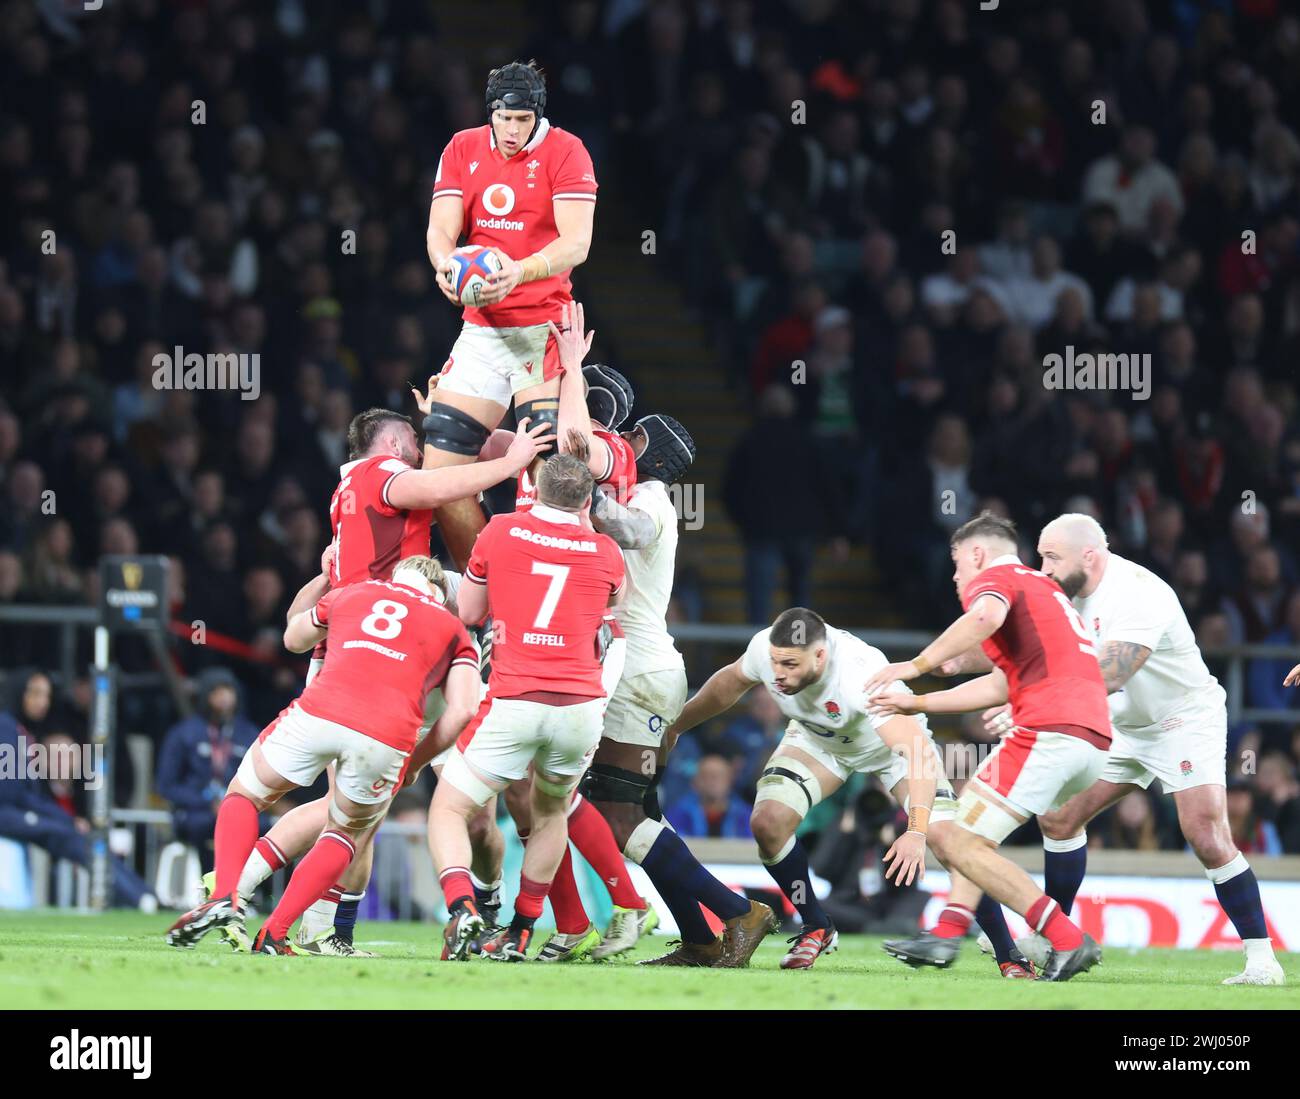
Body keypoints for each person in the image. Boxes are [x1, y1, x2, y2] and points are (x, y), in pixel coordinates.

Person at [220, 408, 548, 956]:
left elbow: (293, 635)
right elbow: (444, 483)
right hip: (395, 653)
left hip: (355, 643)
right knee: (375, 811)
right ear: (393, 444)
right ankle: (276, 909)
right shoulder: (379, 476)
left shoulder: (348, 499)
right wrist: (512, 461)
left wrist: (468, 428)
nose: (422, 454)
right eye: (417, 443)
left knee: (354, 809)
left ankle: (251, 899)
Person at [165, 555, 480, 953]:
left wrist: (324, 575)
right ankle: (277, 931)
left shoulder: (353, 592)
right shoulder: (453, 629)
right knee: (345, 832)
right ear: (438, 592)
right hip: (388, 734)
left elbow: (293, 637)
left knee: (246, 794)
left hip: (322, 706)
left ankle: (224, 895)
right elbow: (465, 708)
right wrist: (415, 764)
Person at [1026, 512, 1285, 985]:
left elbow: (1111, 673)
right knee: (1059, 817)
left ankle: (1262, 960)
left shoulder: (1138, 592)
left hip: (1181, 719)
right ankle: (1054, 938)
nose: (1043, 567)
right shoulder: (1065, 594)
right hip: (1125, 723)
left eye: (1051, 557)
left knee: (1205, 835)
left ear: (1089, 555)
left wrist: (1032, 703)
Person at [667, 608, 992, 973]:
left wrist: (915, 831)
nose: (778, 674)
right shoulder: (767, 650)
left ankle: (1010, 953)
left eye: (790, 664)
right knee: (768, 822)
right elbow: (728, 683)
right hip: (820, 741)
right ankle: (816, 924)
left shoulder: (862, 675)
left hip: (891, 751)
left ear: (821, 656)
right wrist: (676, 727)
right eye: (775, 663)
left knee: (948, 841)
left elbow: (915, 756)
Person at [865, 512, 1110, 982]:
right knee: (967, 835)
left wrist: (916, 665)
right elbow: (998, 685)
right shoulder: (1046, 594)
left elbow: (985, 615)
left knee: (957, 839)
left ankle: (1065, 937)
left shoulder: (999, 577)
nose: (957, 578)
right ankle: (948, 929)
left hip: (1049, 729)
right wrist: (917, 701)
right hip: (1090, 737)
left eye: (957, 566)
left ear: (976, 554)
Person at [576, 402, 776, 967]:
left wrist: (573, 478)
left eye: (633, 437)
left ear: (652, 452)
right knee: (642, 815)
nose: (621, 444)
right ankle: (698, 937)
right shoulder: (645, 497)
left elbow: (623, 527)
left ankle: (738, 910)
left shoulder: (649, 500)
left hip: (638, 675)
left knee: (615, 816)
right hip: (645, 670)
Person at [430, 454, 625, 962]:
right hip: (580, 707)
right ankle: (521, 928)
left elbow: (470, 613)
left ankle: (463, 910)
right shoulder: (607, 551)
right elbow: (609, 616)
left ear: (534, 488)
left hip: (516, 697)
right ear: (587, 501)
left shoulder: (498, 530)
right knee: (551, 810)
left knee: (449, 808)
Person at [422, 60, 599, 570]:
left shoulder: (567, 151)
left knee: (557, 480)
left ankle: (570, 591)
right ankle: (489, 595)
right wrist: (446, 268)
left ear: (538, 115)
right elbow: (440, 231)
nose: (513, 130)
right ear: (491, 114)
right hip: (482, 332)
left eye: (523, 119)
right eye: (505, 119)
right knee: (441, 476)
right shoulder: (462, 147)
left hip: (543, 331)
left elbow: (577, 243)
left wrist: (516, 273)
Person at [156, 668, 260, 865]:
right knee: (204, 825)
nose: (224, 697)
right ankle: (209, 890)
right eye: (216, 691)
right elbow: (166, 785)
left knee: (264, 828)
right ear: (205, 695)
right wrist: (205, 802)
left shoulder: (248, 733)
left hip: (239, 808)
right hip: (195, 813)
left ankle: (258, 892)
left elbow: (261, 776)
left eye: (229, 690)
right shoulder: (184, 733)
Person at [666, 754, 753, 838]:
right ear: (695, 782)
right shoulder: (679, 814)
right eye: (707, 776)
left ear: (730, 781)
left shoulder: (745, 816)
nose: (713, 782)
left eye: (719, 776)